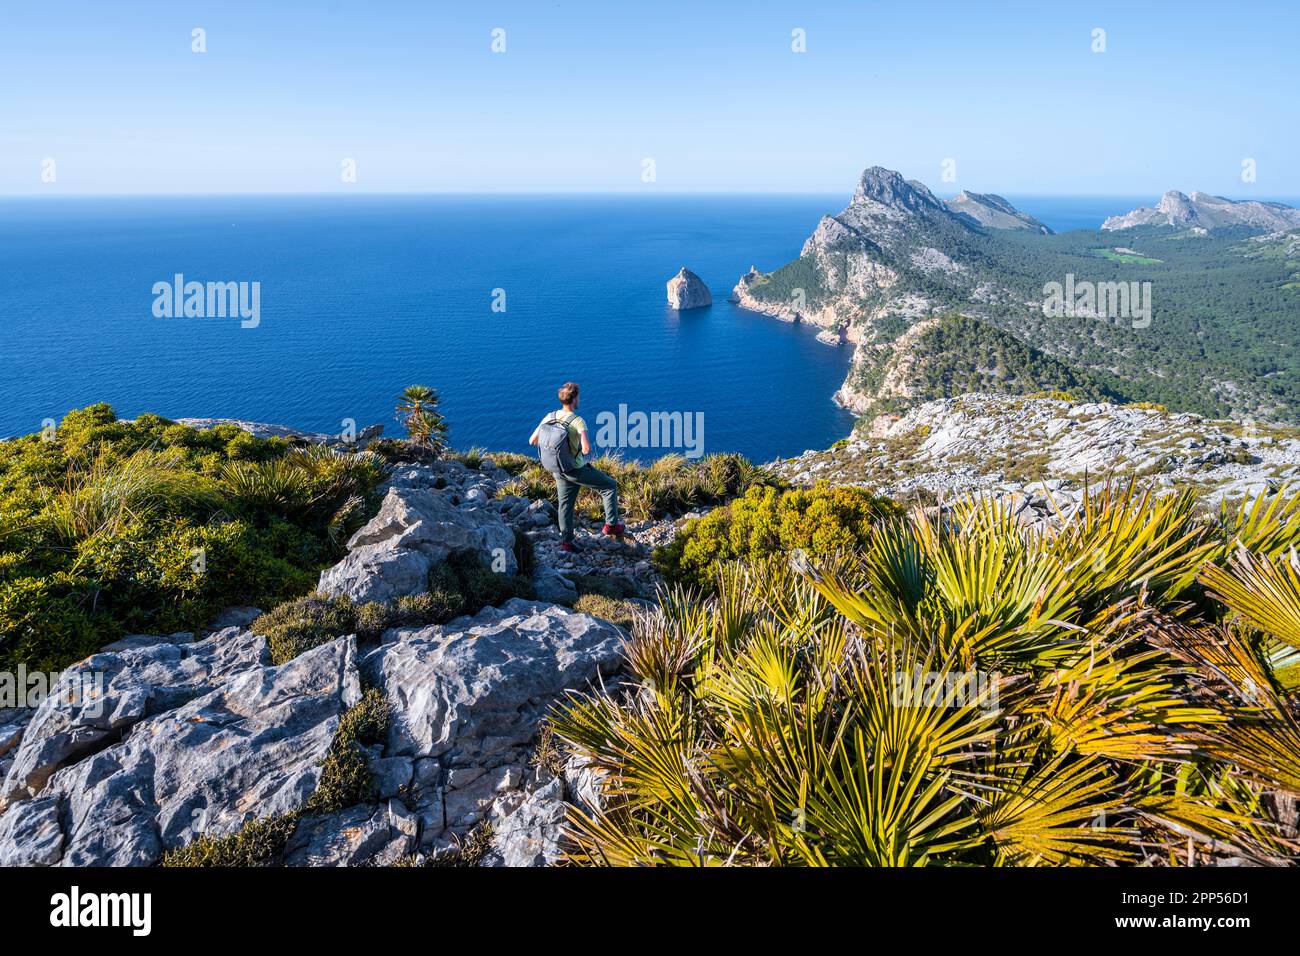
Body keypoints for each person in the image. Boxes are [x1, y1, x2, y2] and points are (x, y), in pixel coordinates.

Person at [529, 381, 623, 552]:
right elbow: (586, 449)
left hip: (557, 469)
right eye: (578, 397)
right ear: (574, 399)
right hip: (576, 469)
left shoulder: (550, 416)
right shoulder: (578, 421)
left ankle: (567, 542)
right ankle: (611, 525)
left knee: (565, 506)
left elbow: (532, 440)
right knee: (609, 486)